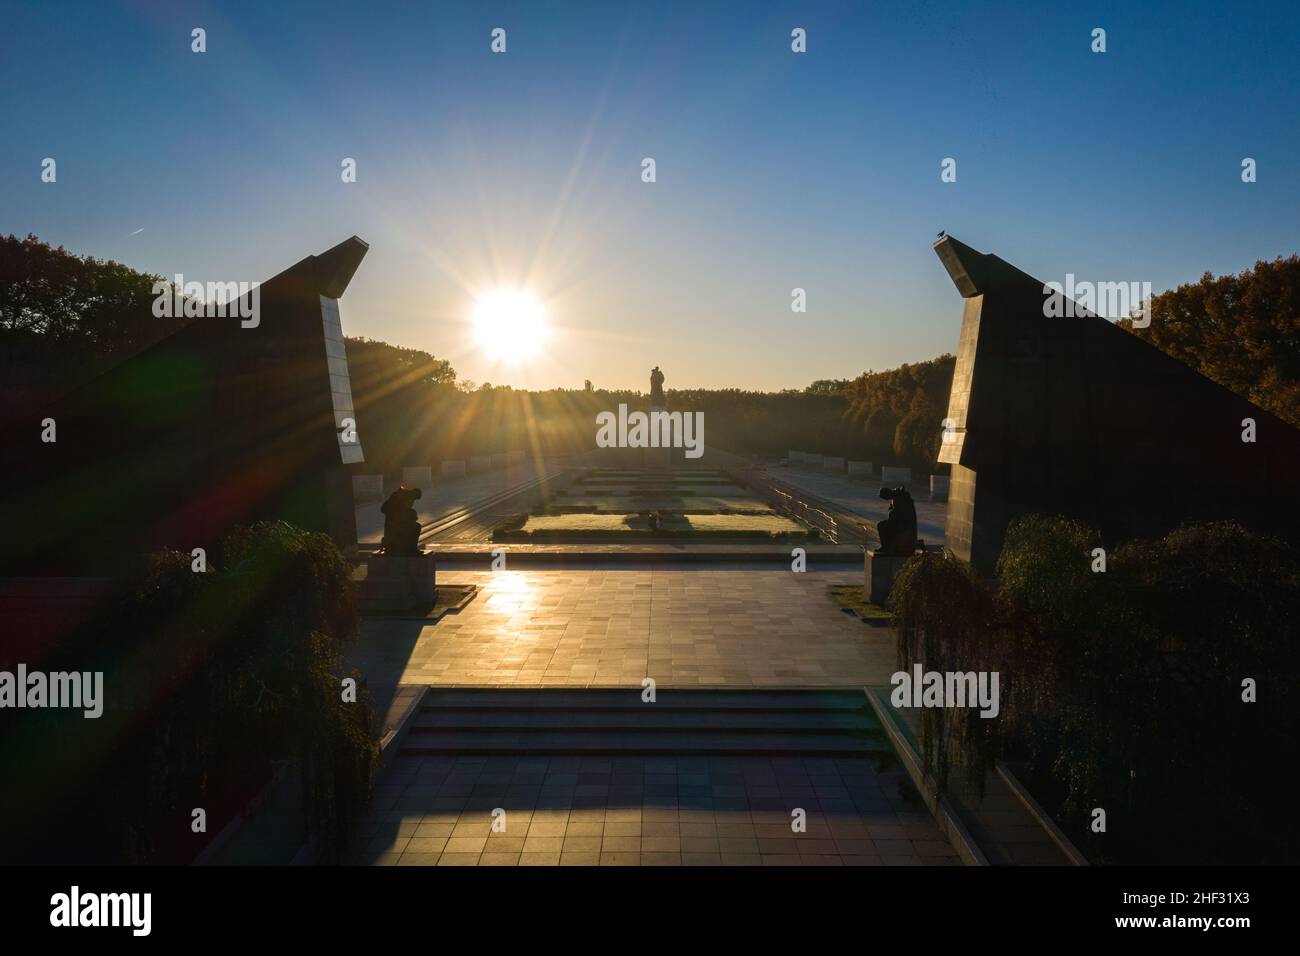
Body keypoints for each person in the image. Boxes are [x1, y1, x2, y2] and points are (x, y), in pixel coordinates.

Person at [380, 485, 423, 556]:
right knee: (415, 527)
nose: (413, 501)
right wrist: (400, 513)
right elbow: (384, 508)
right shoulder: (399, 495)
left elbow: (406, 510)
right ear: (413, 493)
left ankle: (411, 548)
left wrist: (410, 513)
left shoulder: (409, 498)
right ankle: (410, 548)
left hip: (402, 522)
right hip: (393, 523)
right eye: (414, 498)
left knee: (416, 526)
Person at [875, 486, 917, 555]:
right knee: (883, 525)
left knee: (881, 526)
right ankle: (886, 546)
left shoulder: (900, 497)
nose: (887, 499)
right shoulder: (896, 496)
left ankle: (886, 547)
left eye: (885, 498)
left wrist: (892, 512)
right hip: (900, 523)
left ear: (887, 494)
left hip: (904, 526)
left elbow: (898, 514)